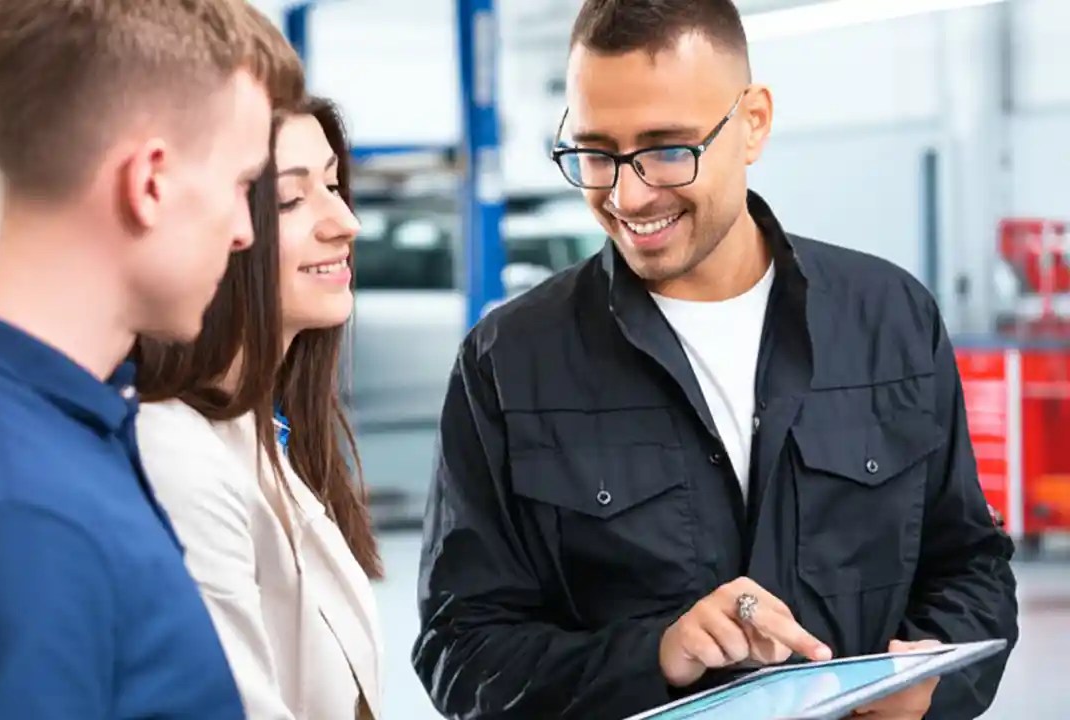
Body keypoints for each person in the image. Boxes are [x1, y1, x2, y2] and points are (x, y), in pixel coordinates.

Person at [412, 1, 1019, 718]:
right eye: (595, 152)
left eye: (668, 149)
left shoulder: (889, 319)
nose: (627, 194)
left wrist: (930, 685)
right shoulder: (509, 363)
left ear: (754, 122)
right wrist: (655, 657)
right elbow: (463, 650)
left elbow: (971, 566)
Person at [0, 1, 303, 718]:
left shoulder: (29, 423)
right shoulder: (16, 519)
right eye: (242, 186)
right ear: (150, 182)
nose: (244, 233)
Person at [132, 96, 384, 720]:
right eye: (290, 200)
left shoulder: (266, 431)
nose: (345, 221)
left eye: (332, 184)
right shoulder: (175, 456)